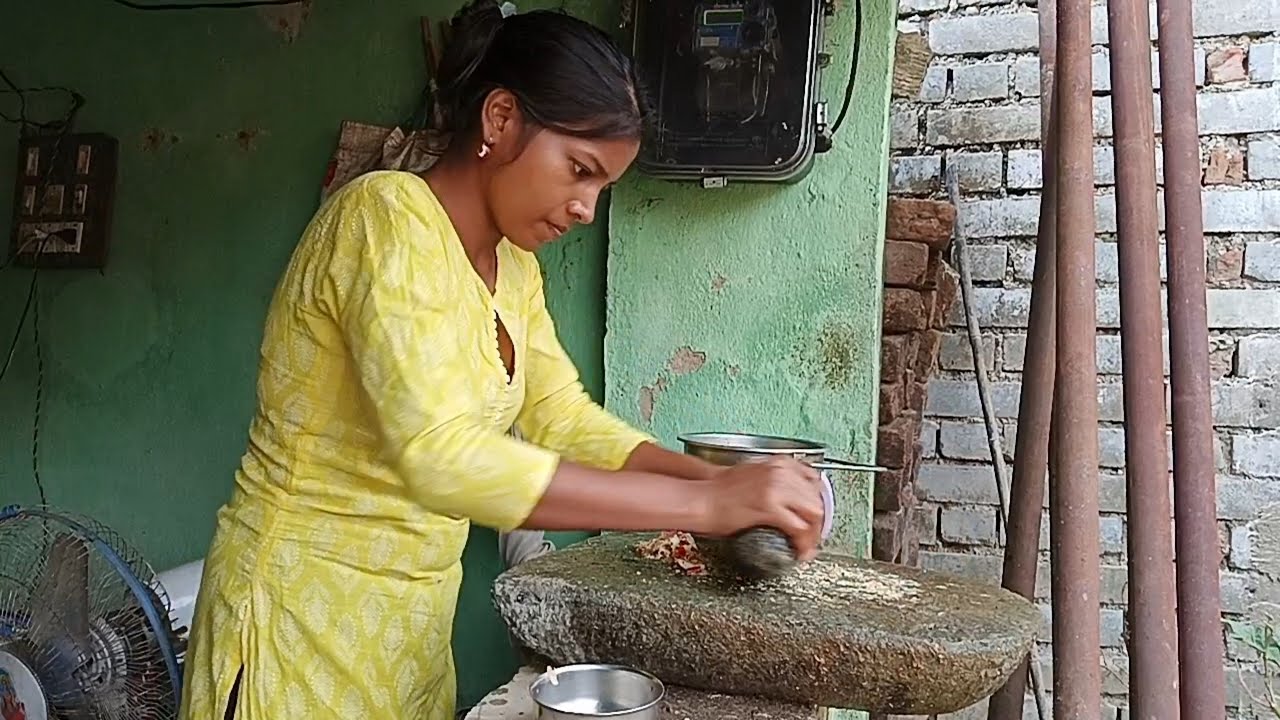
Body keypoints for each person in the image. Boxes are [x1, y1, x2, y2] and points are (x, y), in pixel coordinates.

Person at [178, 3, 827, 719]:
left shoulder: (514, 270)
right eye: (579, 170)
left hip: (407, 631)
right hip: (296, 621)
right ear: (500, 120)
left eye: (602, 187)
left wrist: (717, 483)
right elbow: (442, 458)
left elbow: (563, 419)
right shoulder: (384, 218)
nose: (585, 207)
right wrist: (706, 504)